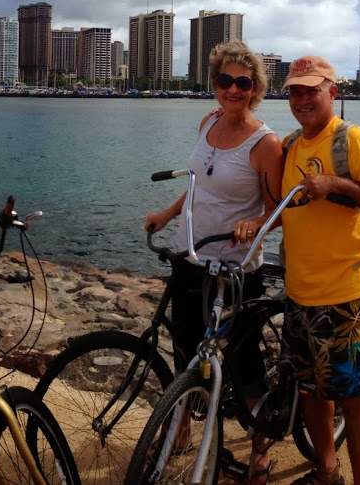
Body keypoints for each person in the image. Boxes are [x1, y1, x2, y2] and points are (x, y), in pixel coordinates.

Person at [143, 40, 284, 485]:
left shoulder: (265, 144)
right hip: (191, 255)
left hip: (234, 269)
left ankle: (262, 447)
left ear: (256, 88)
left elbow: (278, 208)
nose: (233, 89)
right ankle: (182, 428)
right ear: (215, 84)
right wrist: (168, 213)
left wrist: (254, 223)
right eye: (225, 80)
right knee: (185, 344)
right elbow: (200, 186)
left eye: (243, 82)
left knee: (242, 360)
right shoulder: (207, 123)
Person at [278, 55, 360, 485]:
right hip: (299, 292)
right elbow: (284, 206)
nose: (302, 98)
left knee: (355, 398)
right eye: (295, 90)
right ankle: (326, 470)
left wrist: (336, 185)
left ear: (333, 91)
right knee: (310, 389)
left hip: (345, 295)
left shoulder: (351, 139)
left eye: (312, 89)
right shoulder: (290, 144)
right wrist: (254, 224)